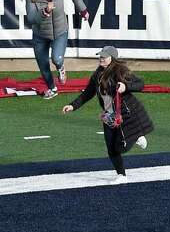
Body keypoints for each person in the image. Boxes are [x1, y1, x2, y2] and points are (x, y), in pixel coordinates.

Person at [61, 46, 152, 181]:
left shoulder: (120, 71)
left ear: (112, 58)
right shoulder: (97, 75)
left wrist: (125, 86)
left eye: (104, 56)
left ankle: (137, 136)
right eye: (100, 56)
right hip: (109, 116)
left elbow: (140, 84)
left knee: (121, 147)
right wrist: (72, 106)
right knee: (111, 149)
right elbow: (87, 94)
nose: (101, 58)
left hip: (126, 114)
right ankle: (121, 175)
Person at [18, 0, 88, 99]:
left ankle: (61, 67)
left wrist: (83, 9)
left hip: (60, 32)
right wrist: (45, 11)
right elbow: (31, 19)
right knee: (43, 64)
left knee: (56, 59)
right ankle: (52, 88)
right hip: (40, 35)